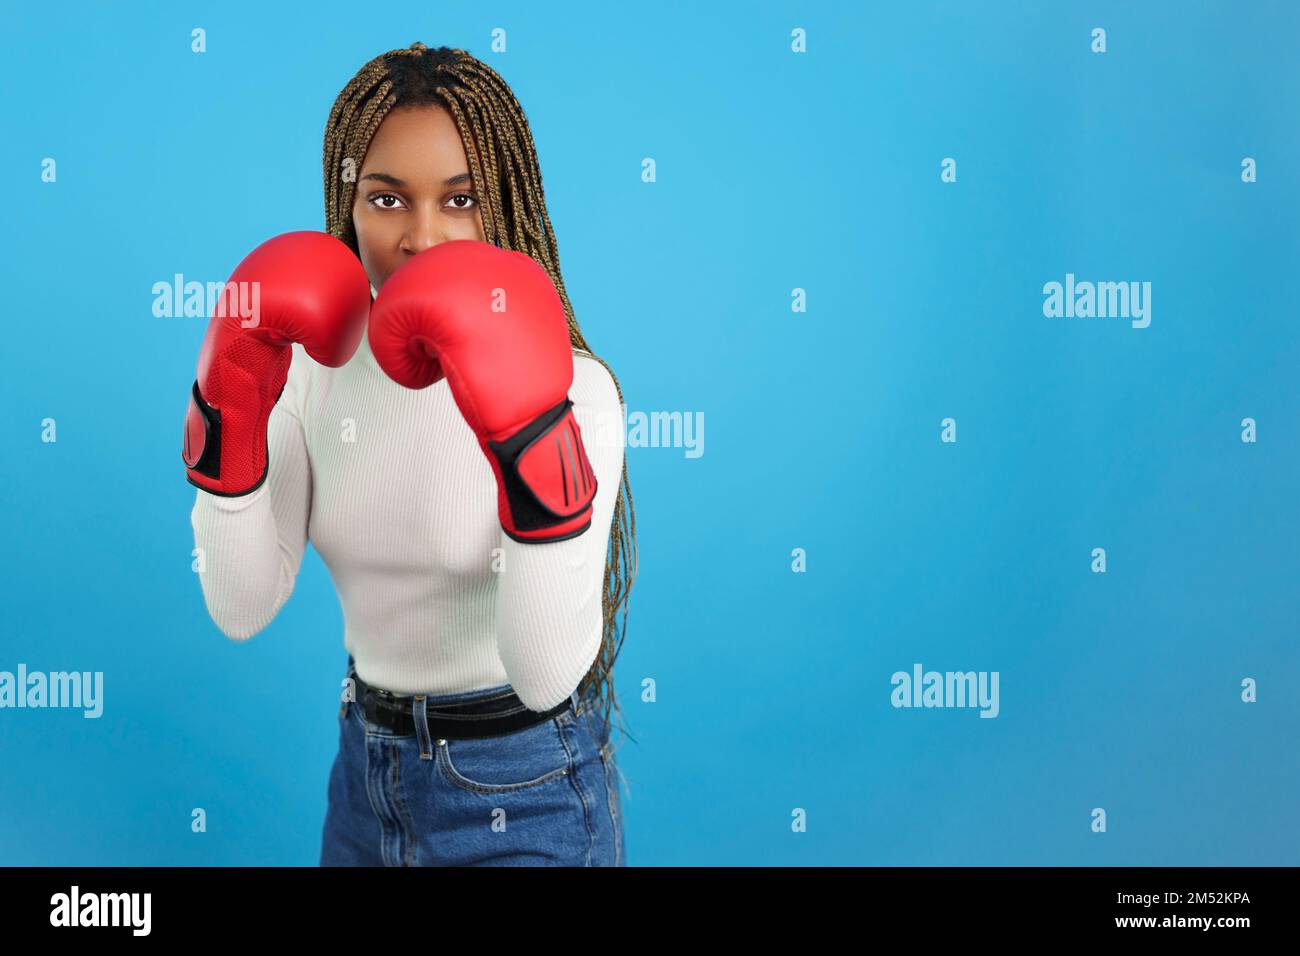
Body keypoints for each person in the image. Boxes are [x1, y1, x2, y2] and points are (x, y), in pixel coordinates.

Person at [183, 42, 636, 866]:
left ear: (503, 201)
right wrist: (227, 411)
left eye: (459, 200)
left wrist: (532, 433)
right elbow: (240, 605)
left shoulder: (580, 393)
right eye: (387, 199)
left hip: (522, 782)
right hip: (367, 771)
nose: (421, 237)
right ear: (346, 203)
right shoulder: (308, 375)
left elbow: (543, 675)